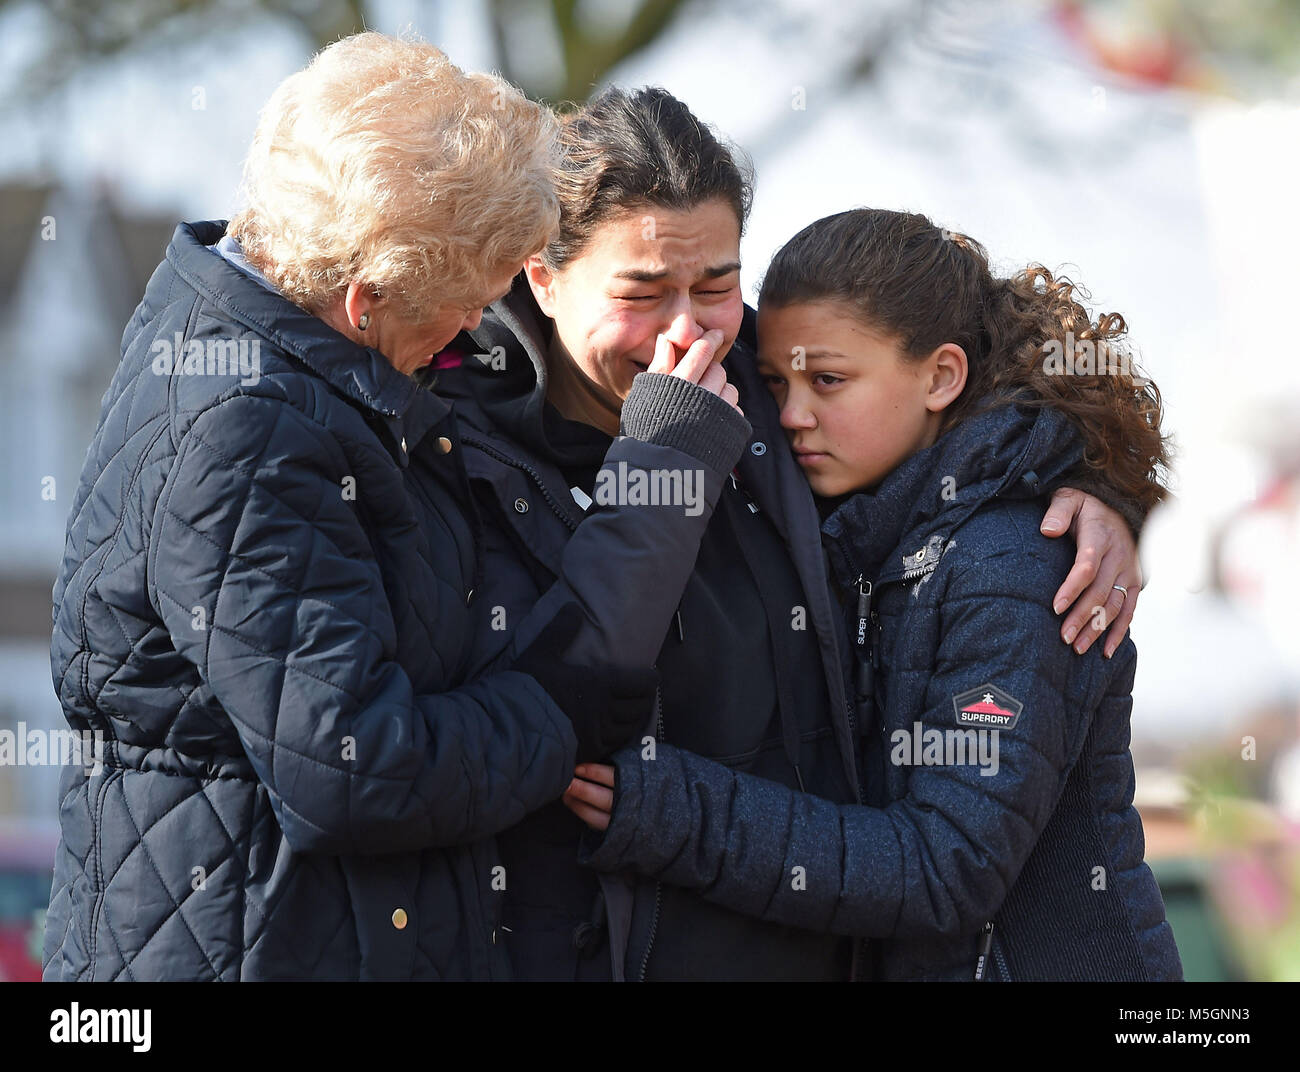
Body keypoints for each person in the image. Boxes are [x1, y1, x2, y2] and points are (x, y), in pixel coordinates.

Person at [429, 88, 1151, 981]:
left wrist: (1093, 486)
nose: (686, 329)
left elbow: (949, 393)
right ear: (540, 275)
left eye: (718, 285)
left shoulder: (769, 388)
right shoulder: (445, 445)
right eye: (643, 291)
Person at [42, 32, 655, 982]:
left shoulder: (273, 368)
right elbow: (358, 765)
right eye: (465, 304)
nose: (469, 334)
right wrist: (554, 707)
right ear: (366, 298)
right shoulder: (247, 431)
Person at [564, 208, 1183, 981]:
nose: (791, 416)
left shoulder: (1016, 564)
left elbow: (947, 867)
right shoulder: (861, 523)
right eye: (775, 385)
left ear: (941, 377)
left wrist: (675, 813)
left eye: (828, 380)